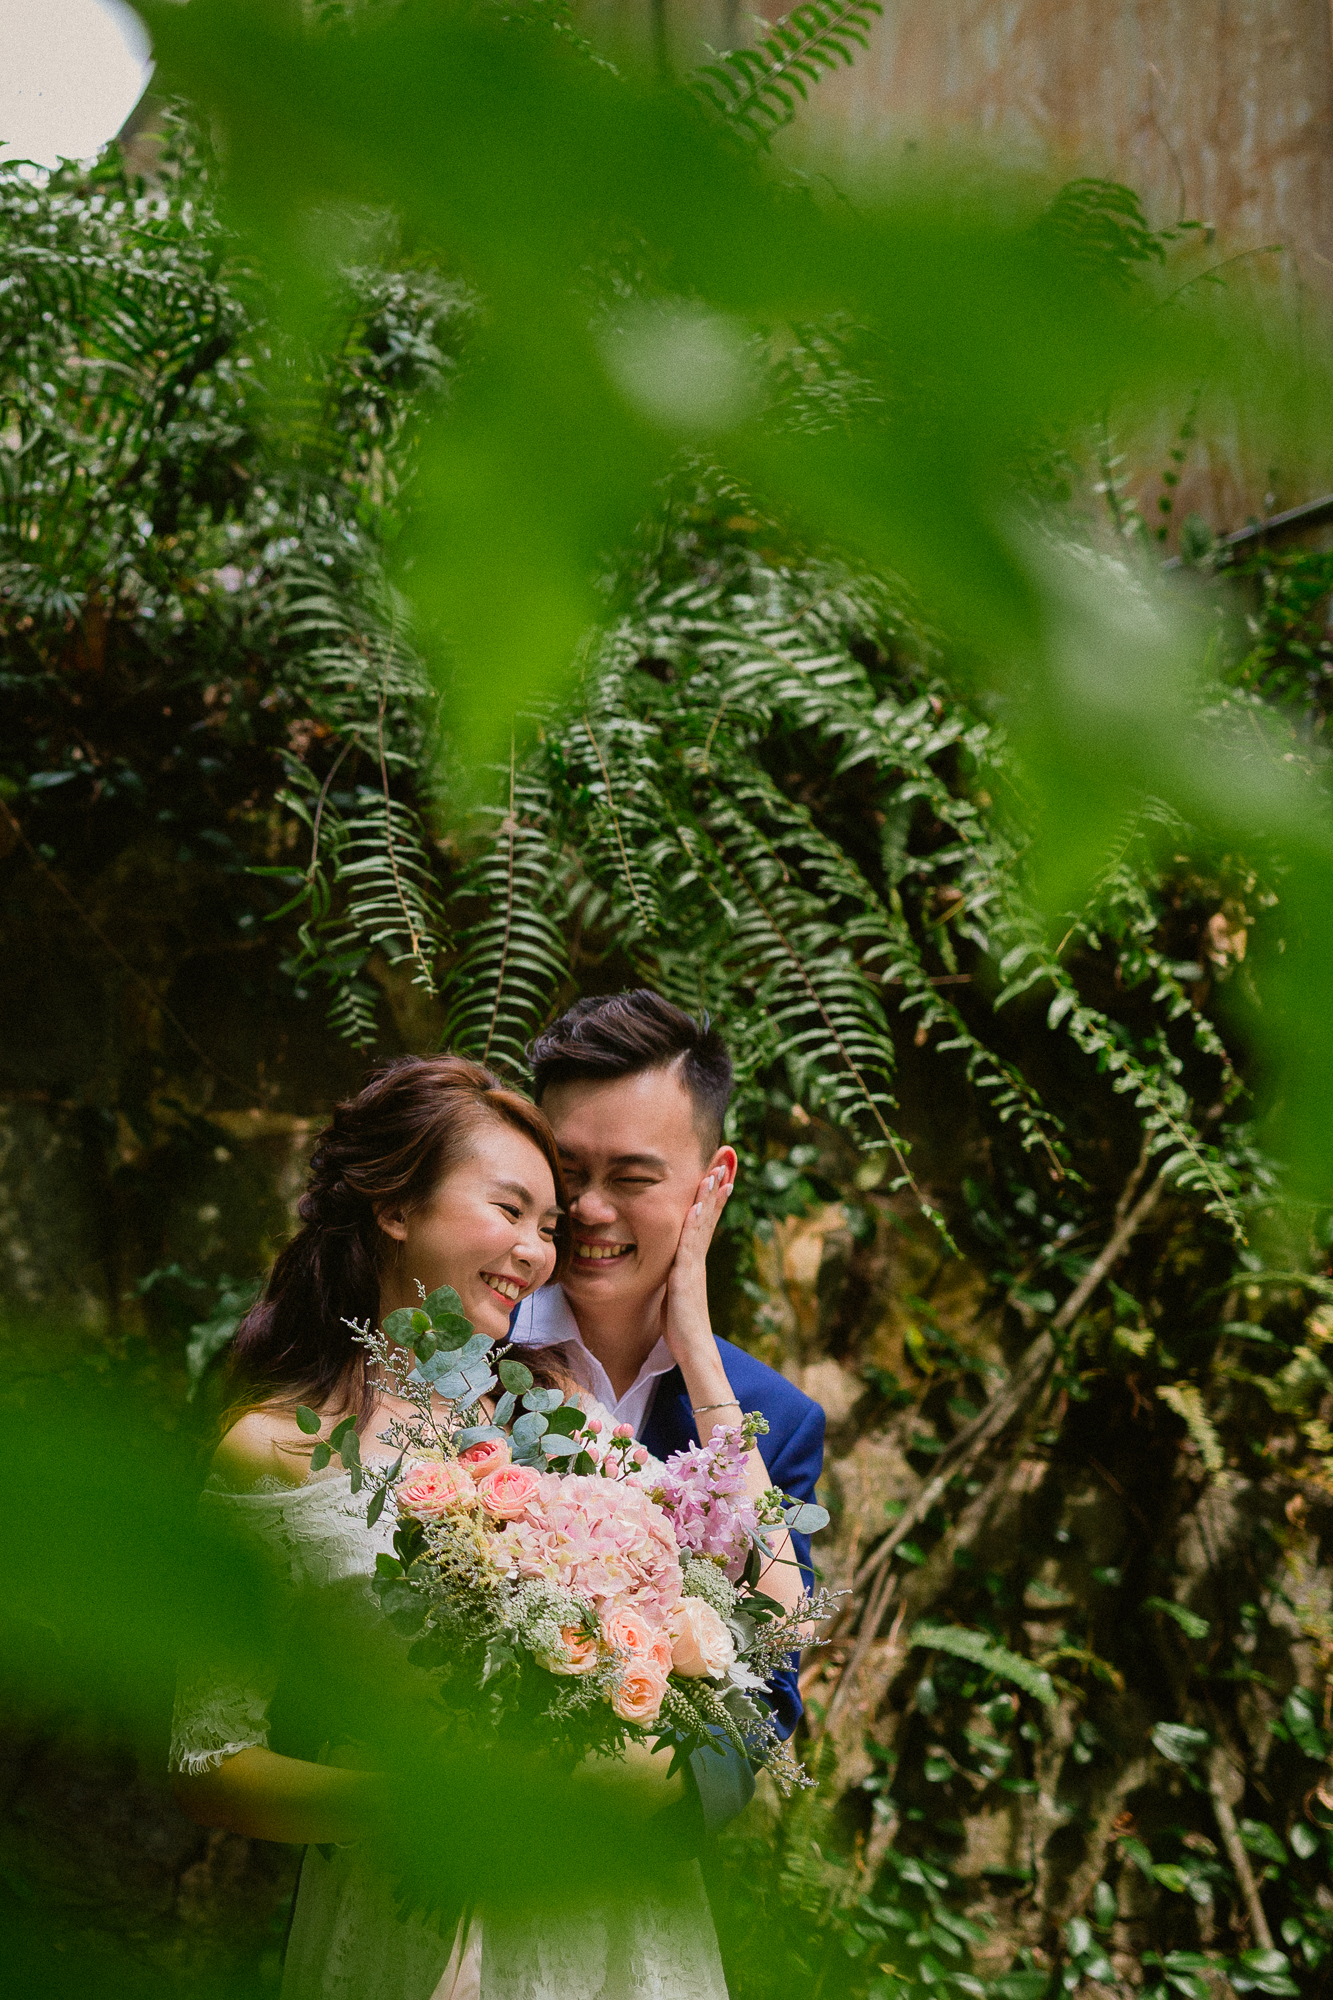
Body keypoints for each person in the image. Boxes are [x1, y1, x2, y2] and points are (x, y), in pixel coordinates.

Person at [169, 1053, 794, 2000]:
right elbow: (208, 1762)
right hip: (403, 1913)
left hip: (616, 1918)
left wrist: (694, 1326)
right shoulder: (270, 1453)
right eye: (510, 1212)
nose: (539, 1251)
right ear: (394, 1209)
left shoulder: (562, 1413)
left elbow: (773, 1599)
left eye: (545, 1229)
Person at [513, 990, 826, 1794]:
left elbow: (768, 1683)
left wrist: (645, 1808)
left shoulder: (778, 1419)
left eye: (631, 1177)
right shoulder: (464, 1359)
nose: (587, 1208)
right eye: (566, 1171)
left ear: (711, 1181)